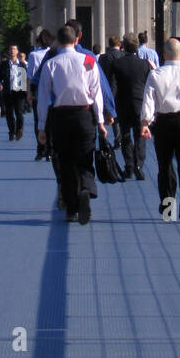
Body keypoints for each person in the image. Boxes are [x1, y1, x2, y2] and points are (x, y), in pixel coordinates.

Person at [37, 25, 106, 224]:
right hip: (84, 115)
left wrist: (42, 127)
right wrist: (100, 121)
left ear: (58, 42)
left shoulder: (51, 63)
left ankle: (71, 209)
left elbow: (43, 97)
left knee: (65, 162)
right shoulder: (88, 60)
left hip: (60, 117)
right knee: (85, 157)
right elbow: (96, 93)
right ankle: (86, 188)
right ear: (76, 40)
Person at [140, 38, 180, 215]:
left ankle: (169, 209)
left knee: (165, 166)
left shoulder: (156, 74)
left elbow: (148, 102)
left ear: (164, 53)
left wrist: (145, 123)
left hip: (163, 124)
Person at [111, 35, 151, 180]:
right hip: (139, 103)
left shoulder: (117, 64)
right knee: (140, 135)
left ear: (123, 46)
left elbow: (113, 85)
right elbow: (148, 85)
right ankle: (139, 164)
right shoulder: (144, 64)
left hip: (122, 103)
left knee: (125, 135)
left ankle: (129, 166)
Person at [26, 29, 53, 160]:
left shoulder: (33, 55)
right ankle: (49, 149)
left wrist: (28, 93)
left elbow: (30, 75)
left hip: (37, 91)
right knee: (50, 120)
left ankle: (40, 148)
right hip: (51, 91)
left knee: (38, 120)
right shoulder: (53, 54)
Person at [0, 44, 28, 140]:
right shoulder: (4, 65)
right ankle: (12, 131)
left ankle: (19, 130)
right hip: (8, 92)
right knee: (9, 113)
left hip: (19, 93)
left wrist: (27, 91)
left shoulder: (22, 65)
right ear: (9, 51)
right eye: (11, 49)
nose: (12, 51)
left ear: (17, 52)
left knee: (19, 112)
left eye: (14, 49)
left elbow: (27, 79)